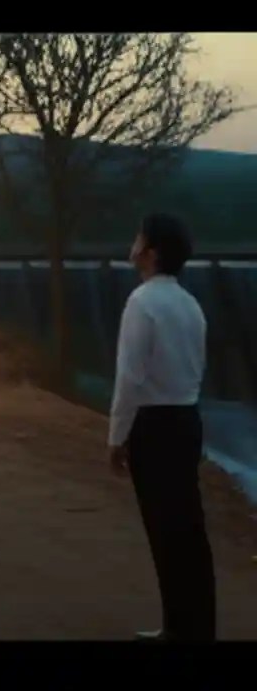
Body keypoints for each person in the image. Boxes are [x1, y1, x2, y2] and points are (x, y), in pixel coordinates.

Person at [108, 212, 214, 642]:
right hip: (187, 419)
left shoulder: (142, 302)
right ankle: (194, 625)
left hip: (154, 425)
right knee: (189, 530)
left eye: (138, 237)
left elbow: (129, 377)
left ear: (150, 252)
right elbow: (197, 365)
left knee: (164, 531)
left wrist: (116, 437)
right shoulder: (190, 303)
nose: (132, 243)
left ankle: (180, 628)